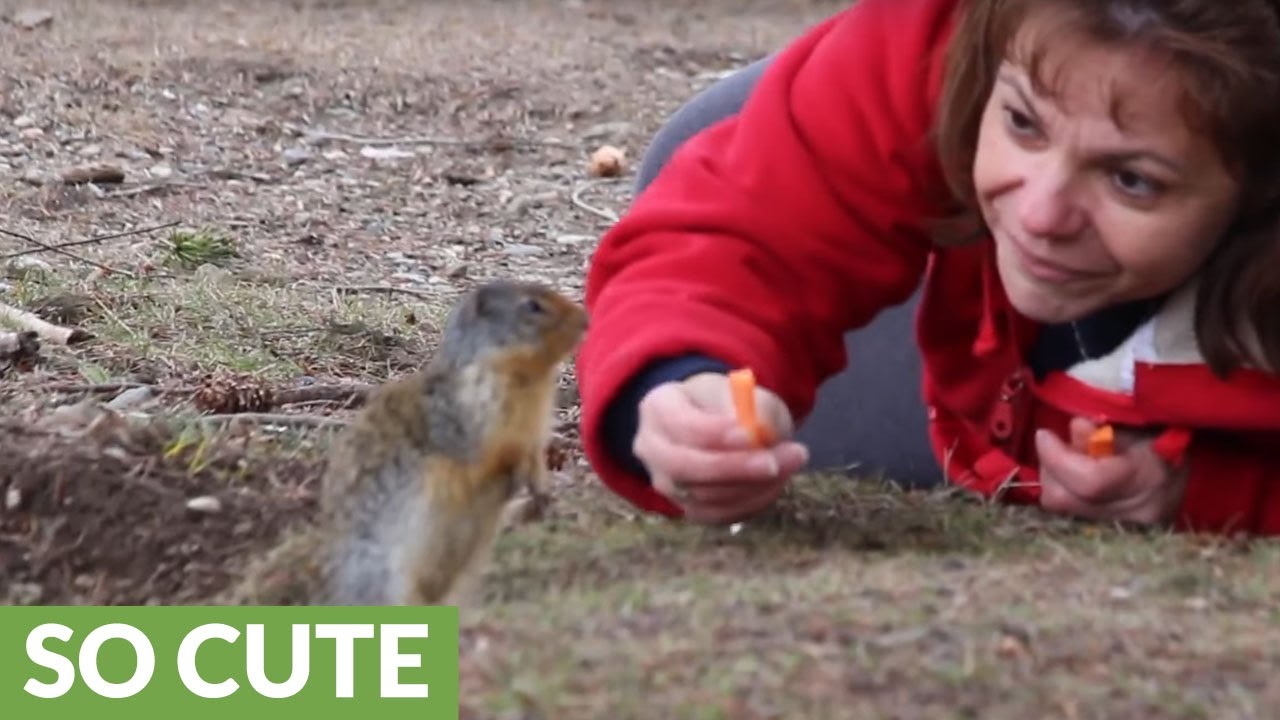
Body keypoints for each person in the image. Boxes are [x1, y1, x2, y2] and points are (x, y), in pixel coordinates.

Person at [574, 0, 1280, 535]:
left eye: (1132, 179)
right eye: (1023, 122)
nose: (1040, 214)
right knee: (708, 139)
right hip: (958, 350)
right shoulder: (939, 36)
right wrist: (678, 386)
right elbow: (739, 232)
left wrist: (1210, 490)